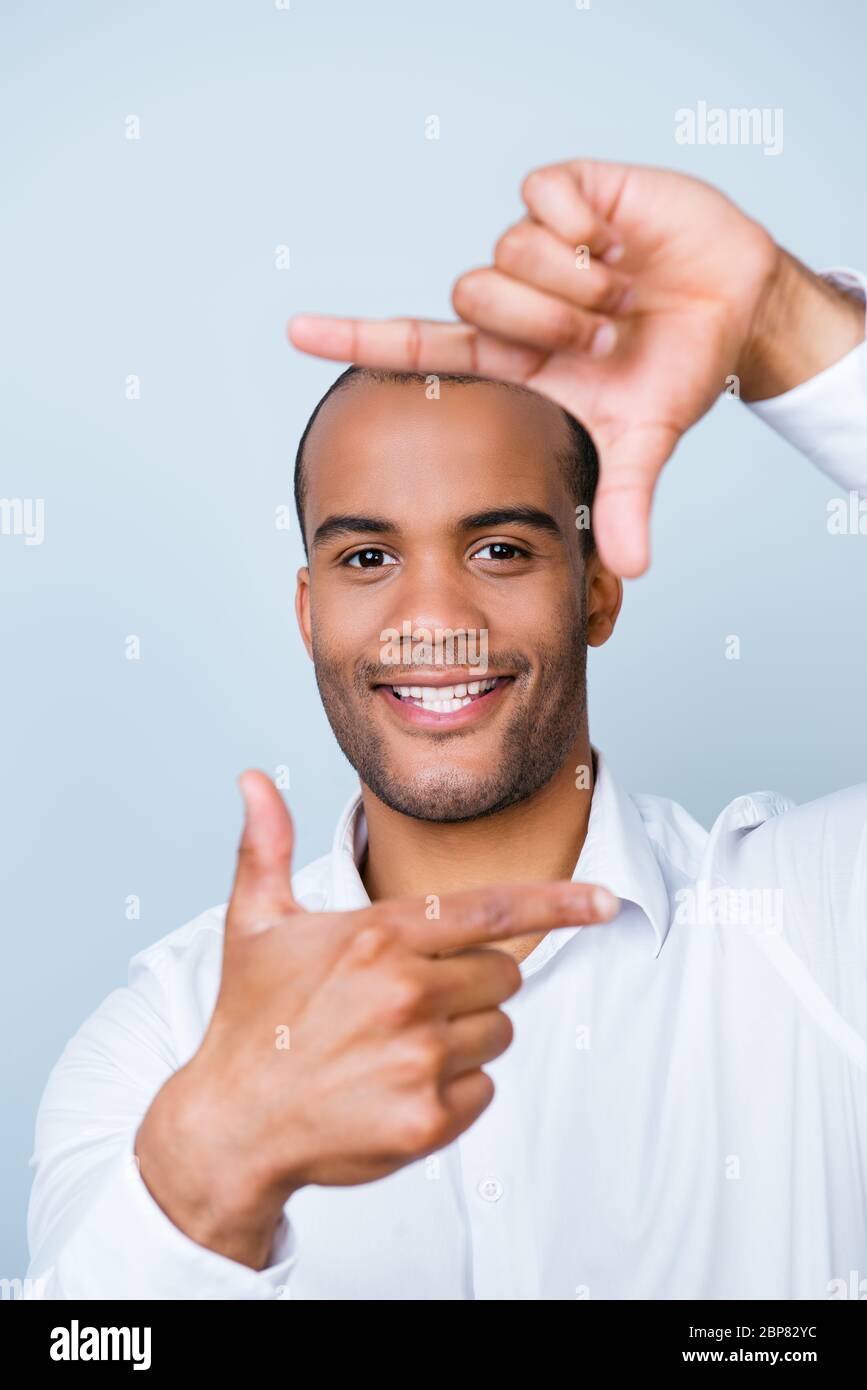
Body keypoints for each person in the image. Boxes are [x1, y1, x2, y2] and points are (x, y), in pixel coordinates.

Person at [27, 160, 867, 1300]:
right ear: (308, 608)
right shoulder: (163, 1042)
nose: (432, 619)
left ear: (599, 589)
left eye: (501, 549)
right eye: (367, 558)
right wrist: (204, 1172)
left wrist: (783, 325)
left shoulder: (814, 931)